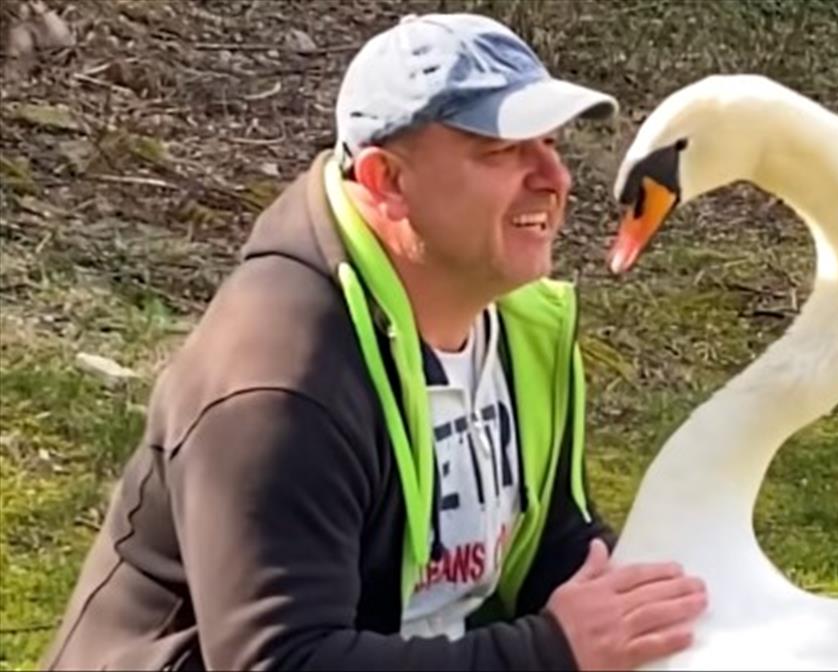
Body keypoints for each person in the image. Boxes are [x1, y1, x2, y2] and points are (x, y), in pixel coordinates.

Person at [41, 13, 707, 671]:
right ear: (387, 182)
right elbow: (281, 661)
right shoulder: (278, 386)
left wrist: (651, 612)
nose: (554, 179)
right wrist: (550, 652)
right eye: (502, 152)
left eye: (552, 144)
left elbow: (553, 543)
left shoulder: (520, 326)